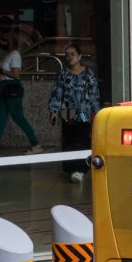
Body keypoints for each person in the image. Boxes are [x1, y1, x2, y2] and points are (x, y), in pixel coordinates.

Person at [47, 44, 100, 182]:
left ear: (79, 56)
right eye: (67, 55)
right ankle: (71, 169)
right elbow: (57, 93)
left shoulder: (88, 74)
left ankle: (80, 169)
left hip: (84, 112)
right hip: (67, 112)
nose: (69, 57)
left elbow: (94, 94)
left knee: (82, 140)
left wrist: (97, 113)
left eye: (72, 54)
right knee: (69, 141)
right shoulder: (63, 74)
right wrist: (53, 111)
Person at [0, 35, 42, 156]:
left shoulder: (15, 55)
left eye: (3, 41)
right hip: (5, 89)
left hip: (12, 88)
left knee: (18, 118)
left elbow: (16, 74)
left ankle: (36, 145)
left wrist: (0, 70)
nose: (1, 43)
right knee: (0, 119)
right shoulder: (8, 55)